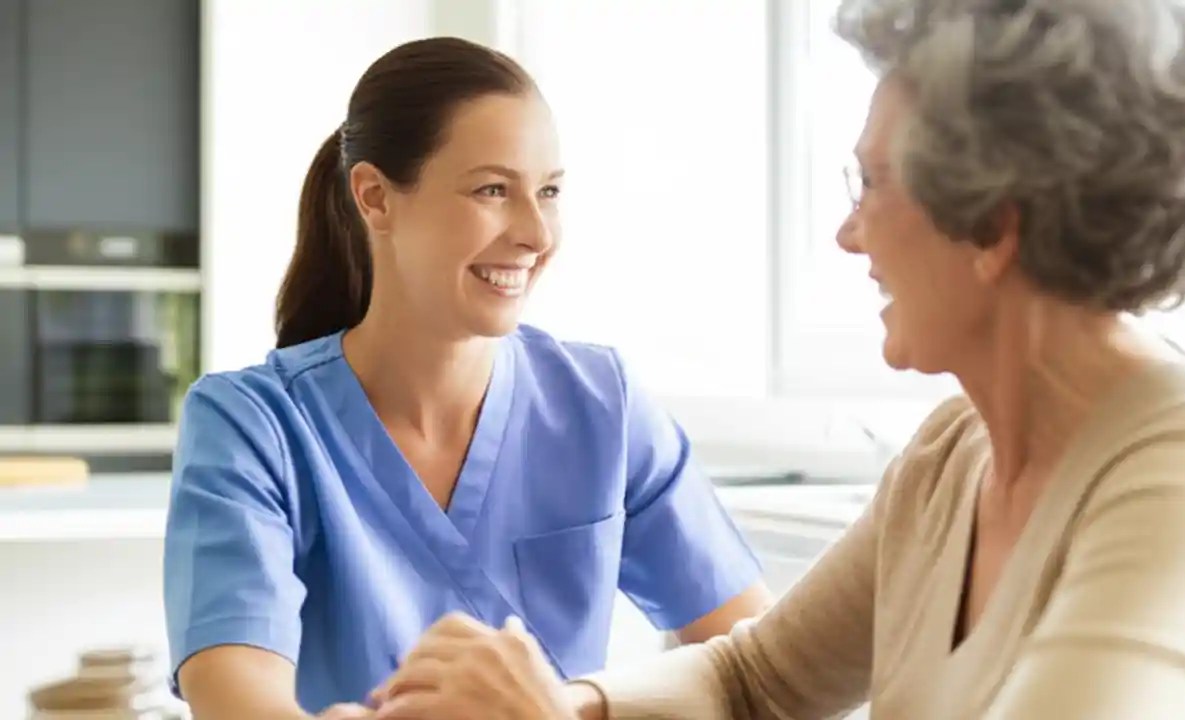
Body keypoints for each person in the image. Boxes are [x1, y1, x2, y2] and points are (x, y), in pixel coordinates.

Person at [370, 1, 1185, 718]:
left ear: (993, 225)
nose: (849, 235)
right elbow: (756, 683)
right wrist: (572, 704)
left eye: (873, 184)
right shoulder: (950, 458)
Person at [162, 36, 770, 719]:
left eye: (549, 192)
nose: (536, 233)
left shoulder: (603, 404)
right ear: (375, 198)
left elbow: (760, 670)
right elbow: (236, 698)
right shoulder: (251, 425)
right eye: (492, 190)